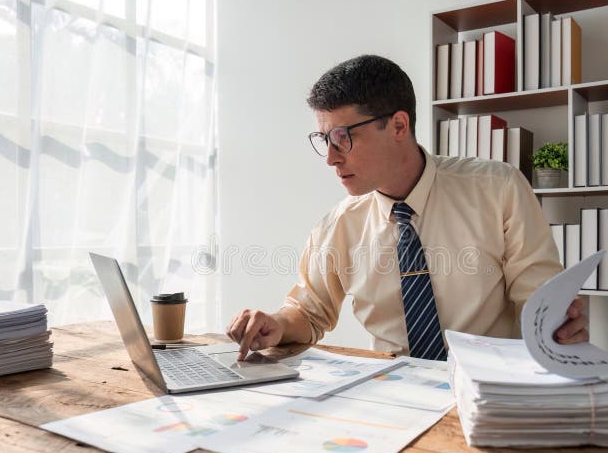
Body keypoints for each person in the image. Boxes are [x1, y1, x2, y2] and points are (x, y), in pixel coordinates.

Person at [226, 54, 588, 361]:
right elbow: (309, 311)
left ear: (399, 125)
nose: (331, 159)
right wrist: (277, 323)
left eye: (342, 138)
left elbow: (537, 298)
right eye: (324, 140)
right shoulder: (339, 225)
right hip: (392, 396)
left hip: (490, 384)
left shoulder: (499, 188)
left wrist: (555, 324)